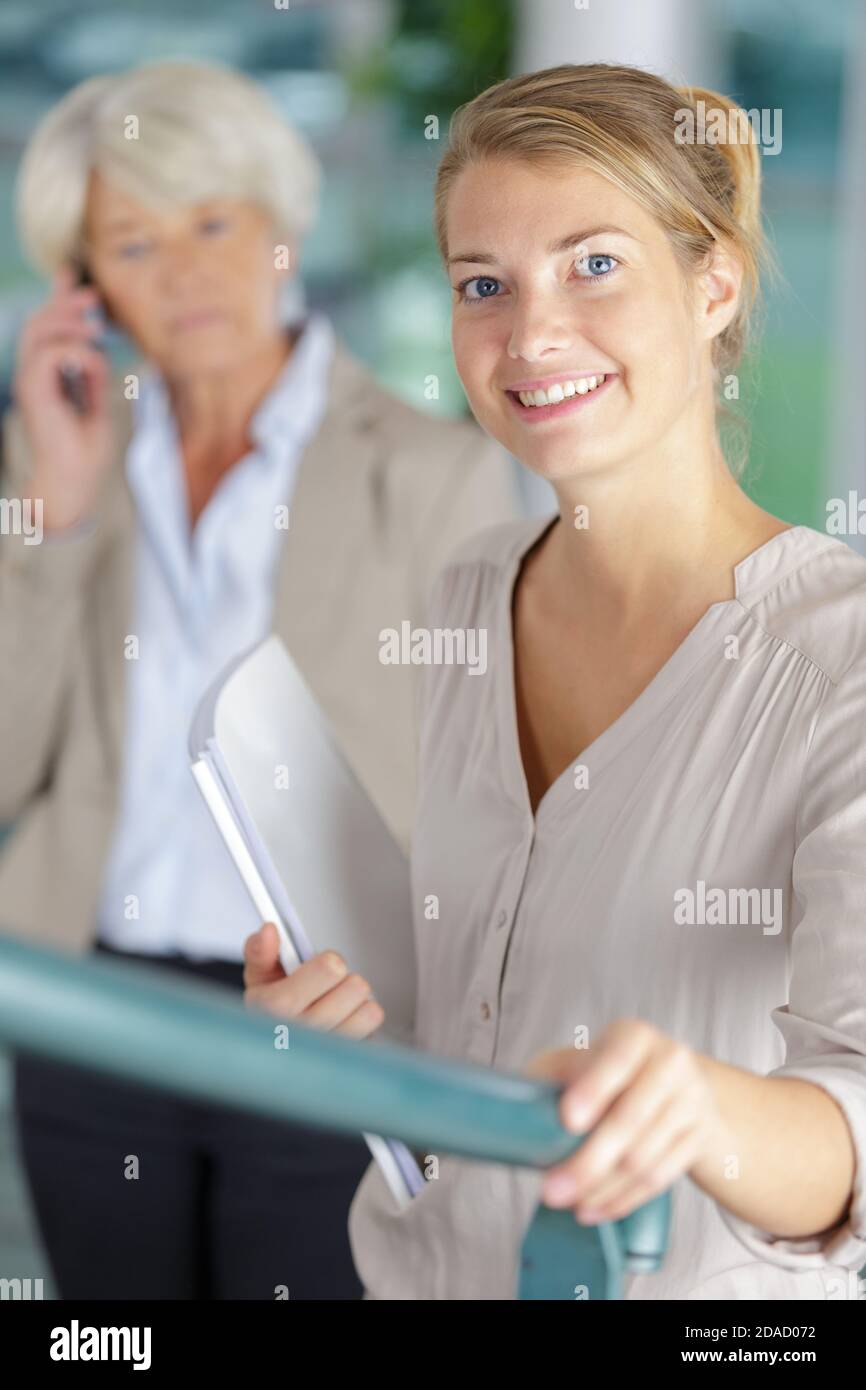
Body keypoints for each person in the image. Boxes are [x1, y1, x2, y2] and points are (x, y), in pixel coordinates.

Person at [243, 63, 866, 1300]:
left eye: (593, 264)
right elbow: (482, 1014)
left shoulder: (837, 657)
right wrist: (365, 1047)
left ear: (712, 282)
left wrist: (699, 1107)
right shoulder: (472, 592)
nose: (528, 335)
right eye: (484, 285)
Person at [0, 59, 519, 1300]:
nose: (182, 274)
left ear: (281, 227)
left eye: (213, 224)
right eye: (133, 242)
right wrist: (51, 527)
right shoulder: (56, 455)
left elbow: (485, 785)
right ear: (85, 287)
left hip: (326, 1012)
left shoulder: (430, 471)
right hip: (94, 1007)